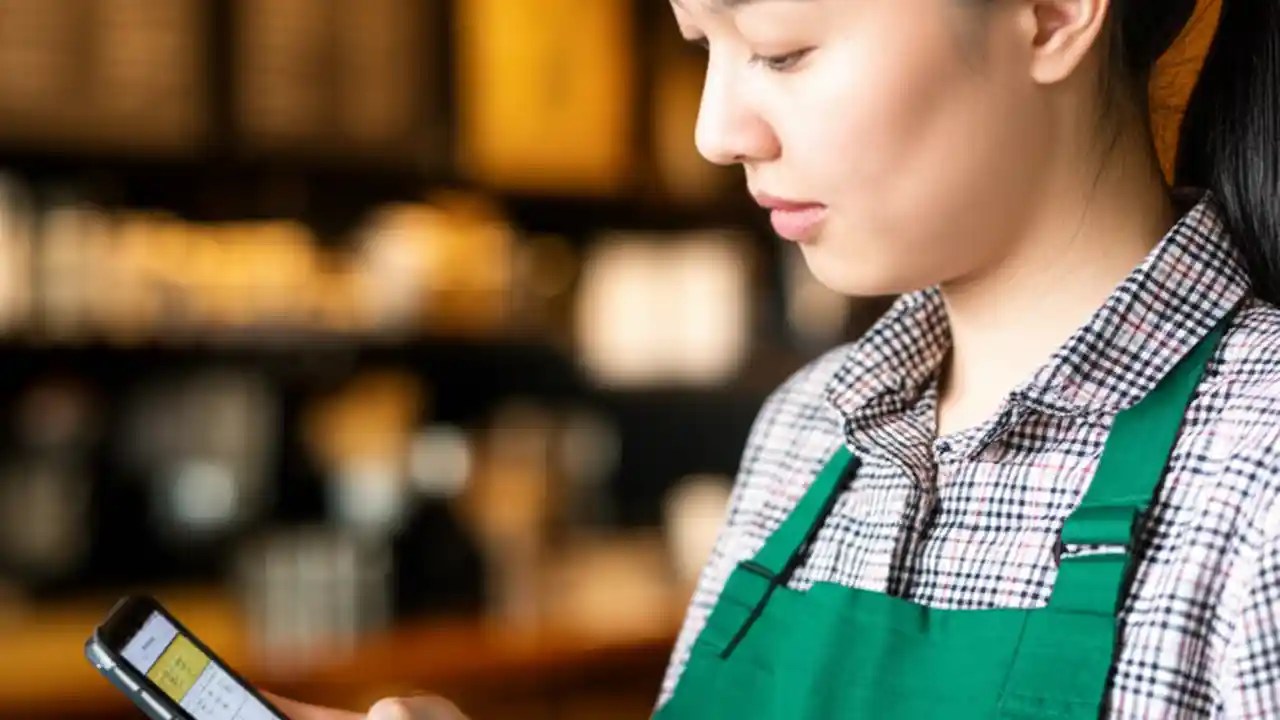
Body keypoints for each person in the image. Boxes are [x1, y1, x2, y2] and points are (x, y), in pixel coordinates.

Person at [267, 0, 1280, 716]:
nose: (716, 131)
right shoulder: (805, 430)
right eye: (699, 46)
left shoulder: (1259, 468)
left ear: (1051, 13)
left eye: (781, 49)